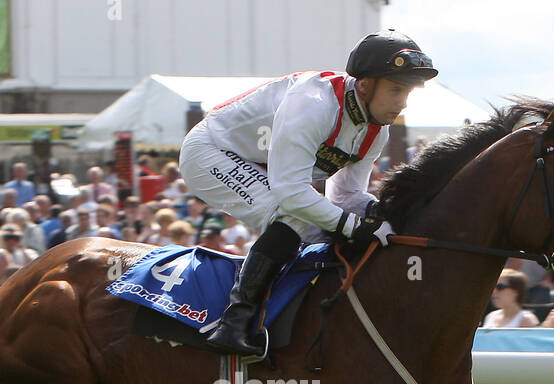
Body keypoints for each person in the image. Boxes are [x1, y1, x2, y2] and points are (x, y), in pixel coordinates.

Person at [182, 29, 437, 358]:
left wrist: (381, 215)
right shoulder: (313, 105)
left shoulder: (376, 132)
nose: (402, 103)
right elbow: (291, 194)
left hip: (262, 167)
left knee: (323, 226)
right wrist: (355, 226)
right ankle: (234, 323)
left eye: (408, 92)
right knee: (296, 218)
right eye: (396, 90)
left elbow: (345, 196)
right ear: (364, 85)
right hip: (210, 151)